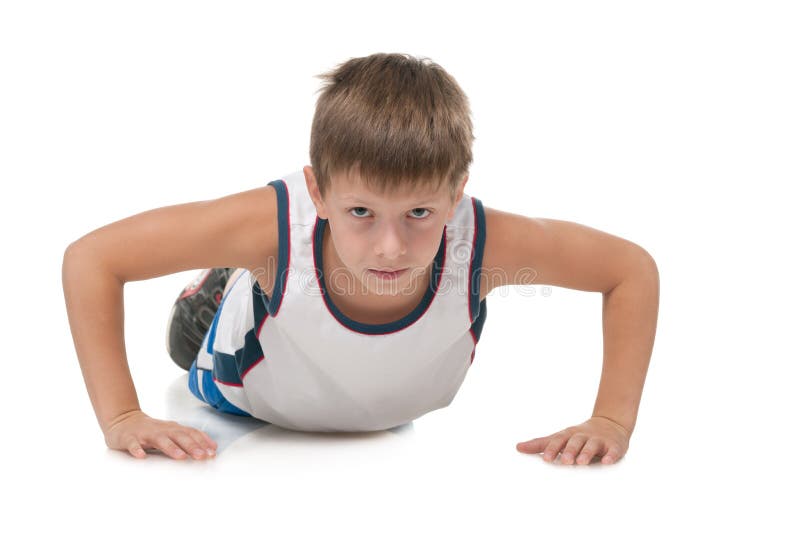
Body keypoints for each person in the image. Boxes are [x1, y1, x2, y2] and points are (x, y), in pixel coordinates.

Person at [62, 52, 659, 465]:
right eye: (361, 213)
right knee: (233, 297)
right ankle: (225, 287)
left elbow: (628, 269)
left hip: (378, 396)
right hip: (244, 373)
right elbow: (93, 258)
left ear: (456, 194)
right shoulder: (270, 225)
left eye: (420, 214)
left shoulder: (486, 241)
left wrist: (610, 420)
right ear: (319, 193)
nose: (391, 247)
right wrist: (121, 416)